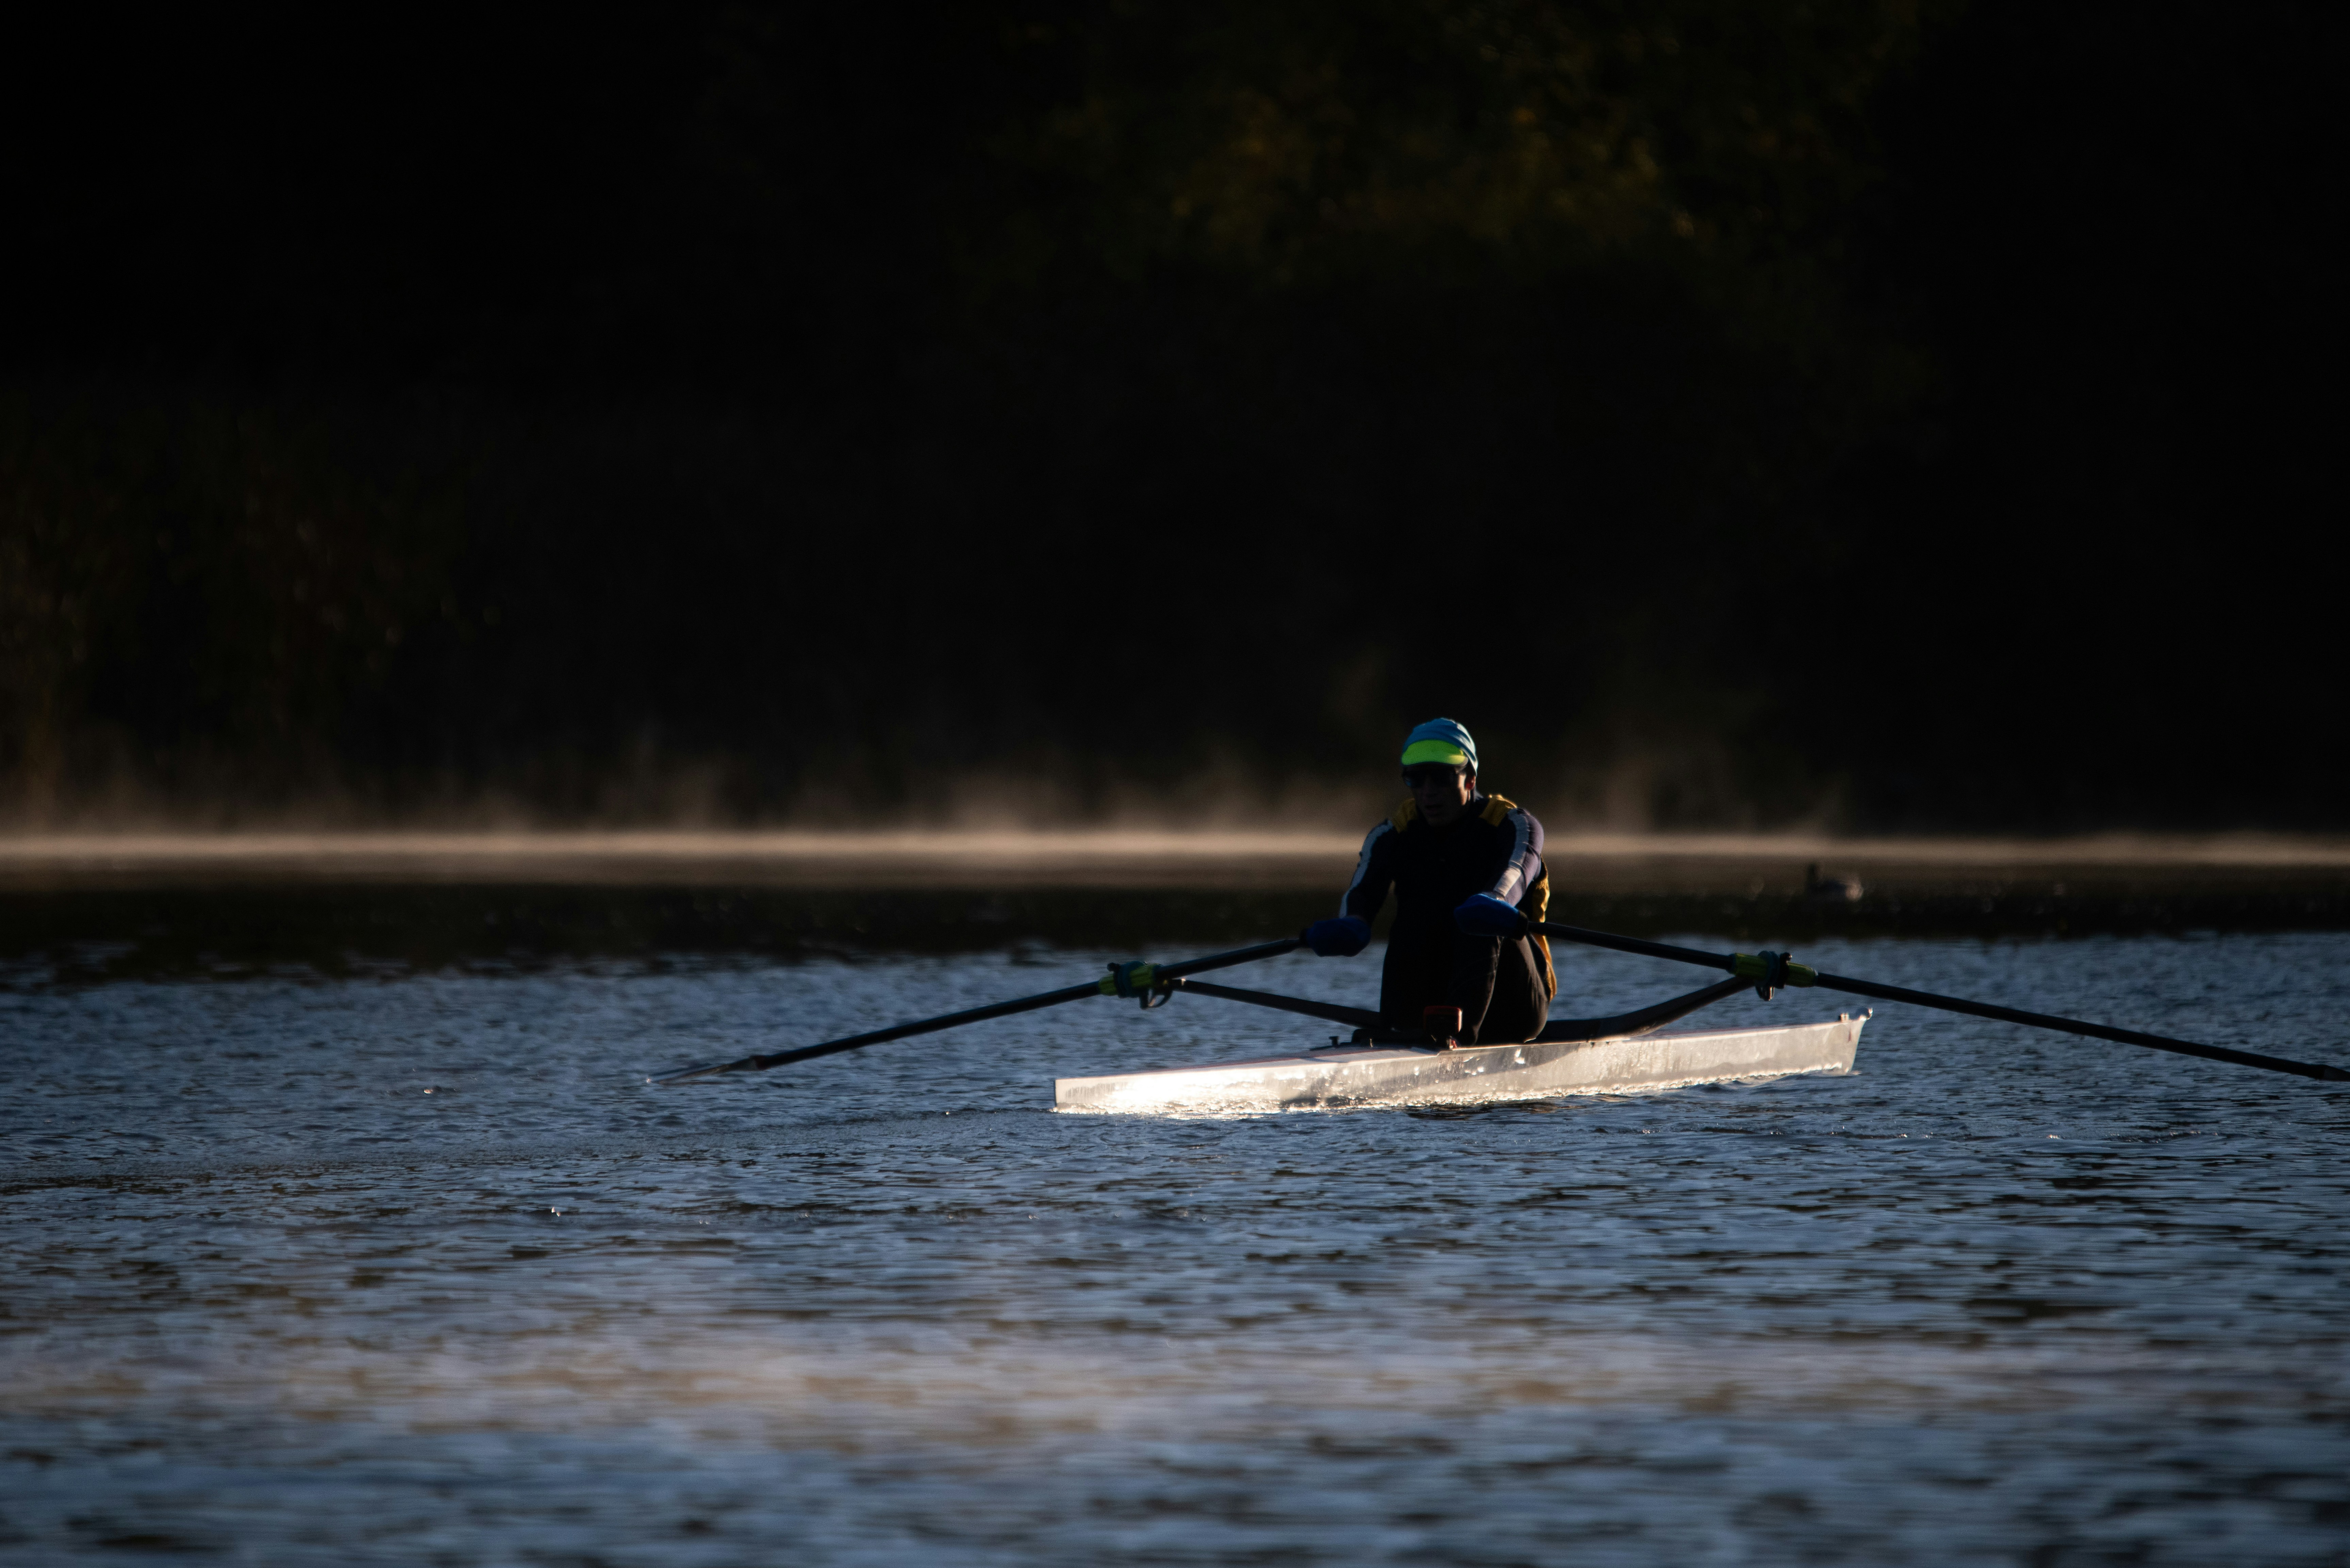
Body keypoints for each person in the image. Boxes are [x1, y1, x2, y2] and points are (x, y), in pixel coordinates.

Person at [1303, 718, 1555, 1047]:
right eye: (1416, 779)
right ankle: (1403, 1031)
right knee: (1412, 919)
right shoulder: (1392, 833)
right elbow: (1361, 894)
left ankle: (1459, 1041)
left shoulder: (1514, 825)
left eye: (1442, 777)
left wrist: (1495, 901)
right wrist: (1351, 924)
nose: (1428, 791)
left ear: (1470, 779)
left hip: (1514, 1007)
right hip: (1430, 1001)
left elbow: (1515, 874)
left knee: (1480, 913)